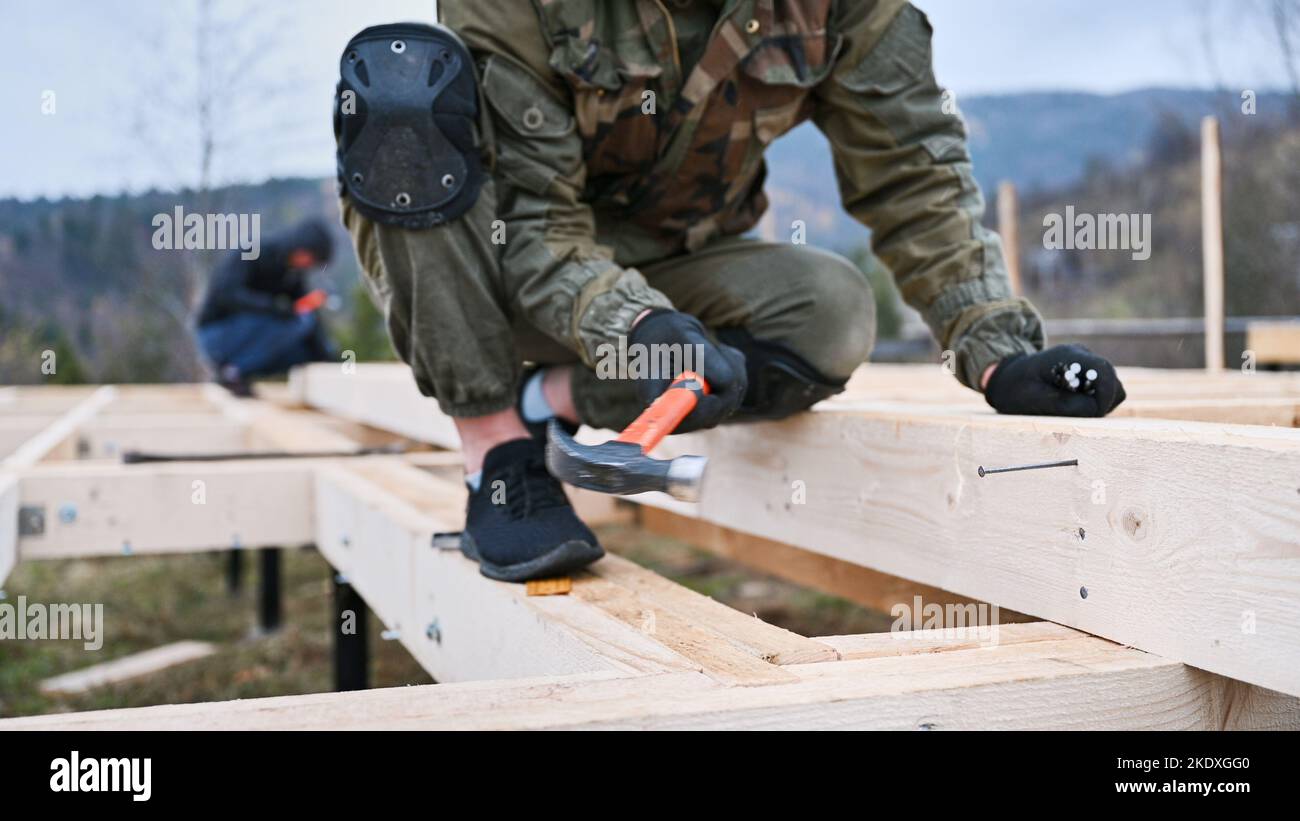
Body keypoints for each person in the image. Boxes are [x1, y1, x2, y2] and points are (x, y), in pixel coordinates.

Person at [333, 1, 1127, 583]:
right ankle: (498, 451)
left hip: (680, 274)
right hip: (502, 276)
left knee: (832, 315)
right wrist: (633, 325)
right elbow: (537, 220)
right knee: (399, 92)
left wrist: (997, 350)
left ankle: (551, 400)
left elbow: (913, 171)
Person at [196, 218, 337, 396]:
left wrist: (327, 356)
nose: (310, 265)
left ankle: (237, 373)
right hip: (217, 334)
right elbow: (227, 294)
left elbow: (306, 311)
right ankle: (231, 373)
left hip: (250, 335)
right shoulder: (253, 252)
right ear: (302, 248)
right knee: (297, 321)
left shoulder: (292, 273)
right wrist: (273, 307)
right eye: (312, 259)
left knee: (303, 352)